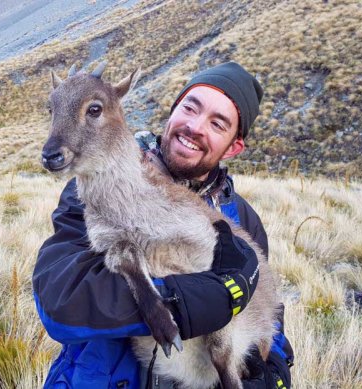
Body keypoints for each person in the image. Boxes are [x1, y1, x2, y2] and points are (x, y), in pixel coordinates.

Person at [33, 62, 294, 389]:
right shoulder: (93, 190)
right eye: (191, 107)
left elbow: (271, 311)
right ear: (174, 110)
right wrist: (180, 300)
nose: (196, 126)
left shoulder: (241, 216)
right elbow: (60, 304)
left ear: (234, 146)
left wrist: (276, 370)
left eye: (217, 123)